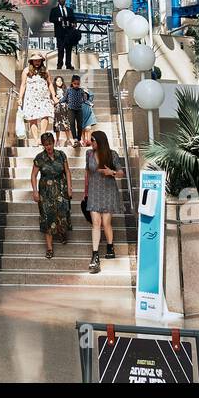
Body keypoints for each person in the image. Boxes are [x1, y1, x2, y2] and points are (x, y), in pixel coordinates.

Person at [85, 131, 124, 274]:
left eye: (93, 140)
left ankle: (110, 246)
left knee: (106, 223)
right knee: (96, 223)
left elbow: (121, 173)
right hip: (94, 191)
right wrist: (85, 191)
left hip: (108, 191)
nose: (91, 143)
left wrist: (111, 172)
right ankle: (95, 256)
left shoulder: (111, 154)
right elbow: (87, 172)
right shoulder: (88, 154)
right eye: (91, 140)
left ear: (100, 141)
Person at [30, 132, 72, 259]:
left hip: (61, 188)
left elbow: (67, 171)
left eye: (50, 144)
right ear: (43, 145)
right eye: (46, 144)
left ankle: (62, 233)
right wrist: (35, 191)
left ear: (54, 142)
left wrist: (69, 187)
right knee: (47, 217)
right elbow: (33, 175)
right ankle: (49, 248)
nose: (48, 147)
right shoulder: (39, 158)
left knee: (63, 214)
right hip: (46, 192)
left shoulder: (61, 155)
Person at [18, 52, 56, 142]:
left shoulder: (45, 70)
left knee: (45, 115)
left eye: (38, 60)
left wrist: (53, 96)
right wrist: (20, 98)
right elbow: (23, 85)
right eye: (35, 60)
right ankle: (36, 139)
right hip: (31, 97)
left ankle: (43, 136)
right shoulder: (26, 71)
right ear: (31, 61)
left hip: (44, 96)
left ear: (41, 61)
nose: (37, 62)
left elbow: (50, 84)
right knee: (32, 118)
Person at [49, 0, 77, 70]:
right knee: (60, 49)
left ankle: (68, 64)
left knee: (68, 49)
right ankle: (59, 64)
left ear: (65, 0)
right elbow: (51, 19)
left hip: (69, 32)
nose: (62, 0)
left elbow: (74, 19)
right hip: (60, 32)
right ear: (58, 0)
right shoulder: (54, 10)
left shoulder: (69, 9)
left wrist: (74, 23)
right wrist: (58, 19)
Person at [64, 75, 88, 146]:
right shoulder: (69, 90)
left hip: (79, 109)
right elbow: (65, 98)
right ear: (72, 83)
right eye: (75, 84)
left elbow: (85, 100)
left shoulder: (81, 90)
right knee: (72, 124)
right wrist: (59, 101)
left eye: (78, 84)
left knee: (80, 125)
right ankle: (75, 139)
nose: (76, 85)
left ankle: (79, 138)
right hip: (71, 109)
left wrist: (86, 97)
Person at [52, 76, 72, 142]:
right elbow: (51, 99)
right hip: (57, 109)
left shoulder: (65, 90)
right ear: (55, 82)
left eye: (61, 81)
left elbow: (68, 99)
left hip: (64, 109)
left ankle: (68, 139)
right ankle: (57, 140)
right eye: (58, 81)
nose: (59, 82)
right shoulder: (53, 90)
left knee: (66, 124)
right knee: (57, 124)